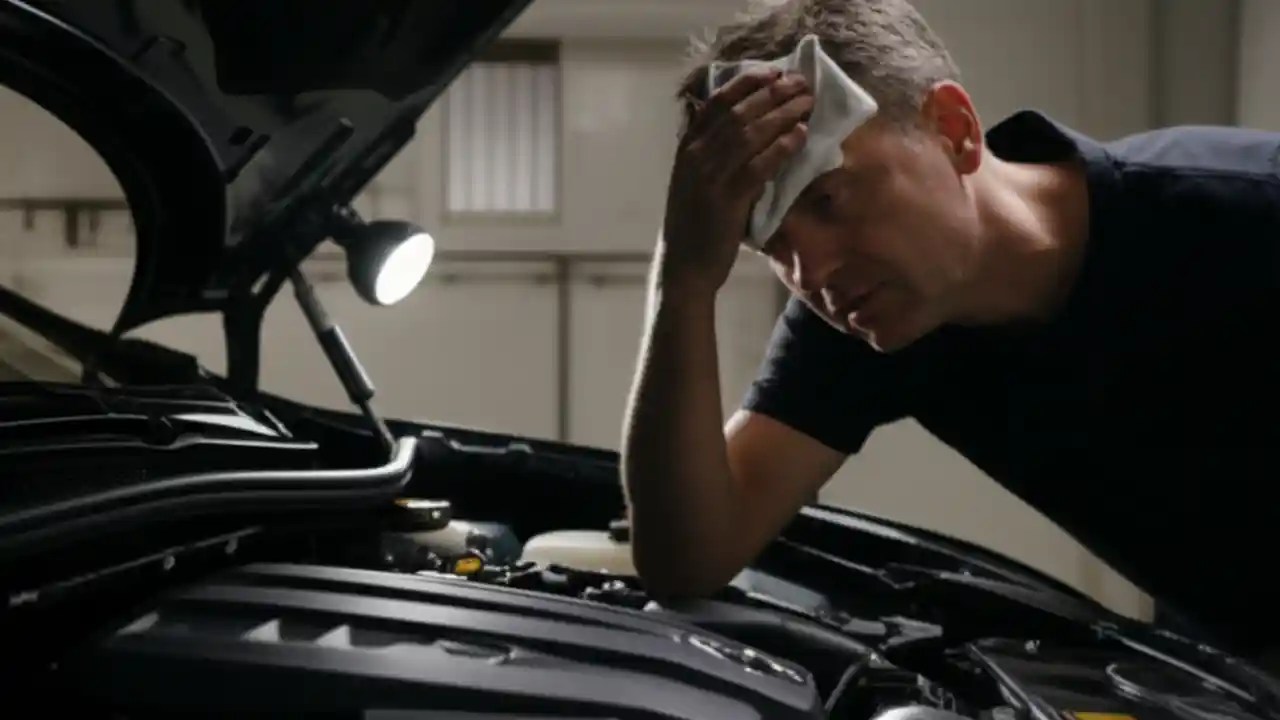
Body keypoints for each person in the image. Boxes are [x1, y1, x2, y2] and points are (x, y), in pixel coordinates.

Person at [619, 0, 1280, 664]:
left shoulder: (1247, 211)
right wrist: (684, 279)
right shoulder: (862, 319)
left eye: (827, 201)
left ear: (954, 129)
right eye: (772, 246)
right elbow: (690, 559)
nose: (811, 272)